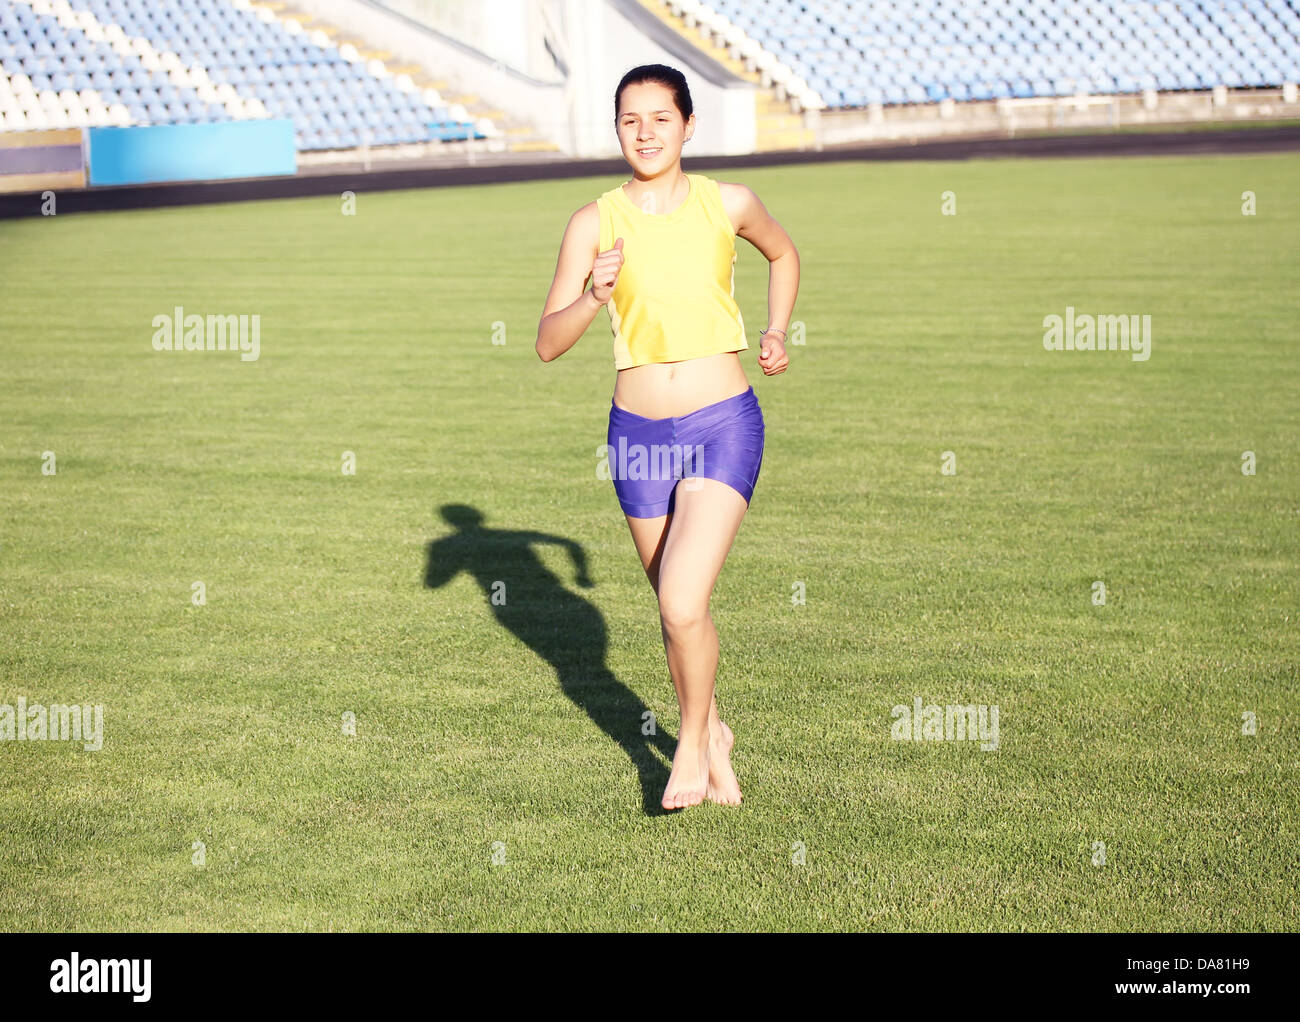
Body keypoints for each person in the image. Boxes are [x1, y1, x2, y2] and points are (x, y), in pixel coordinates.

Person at [535, 64, 799, 810]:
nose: (644, 132)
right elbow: (548, 344)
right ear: (615, 128)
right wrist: (592, 294)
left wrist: (775, 330)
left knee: (683, 601)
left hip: (724, 423)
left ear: (688, 125)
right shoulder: (594, 223)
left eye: (659, 117)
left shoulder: (730, 203)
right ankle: (713, 728)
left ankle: (685, 743)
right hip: (638, 438)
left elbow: (784, 254)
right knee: (674, 607)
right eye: (629, 119)